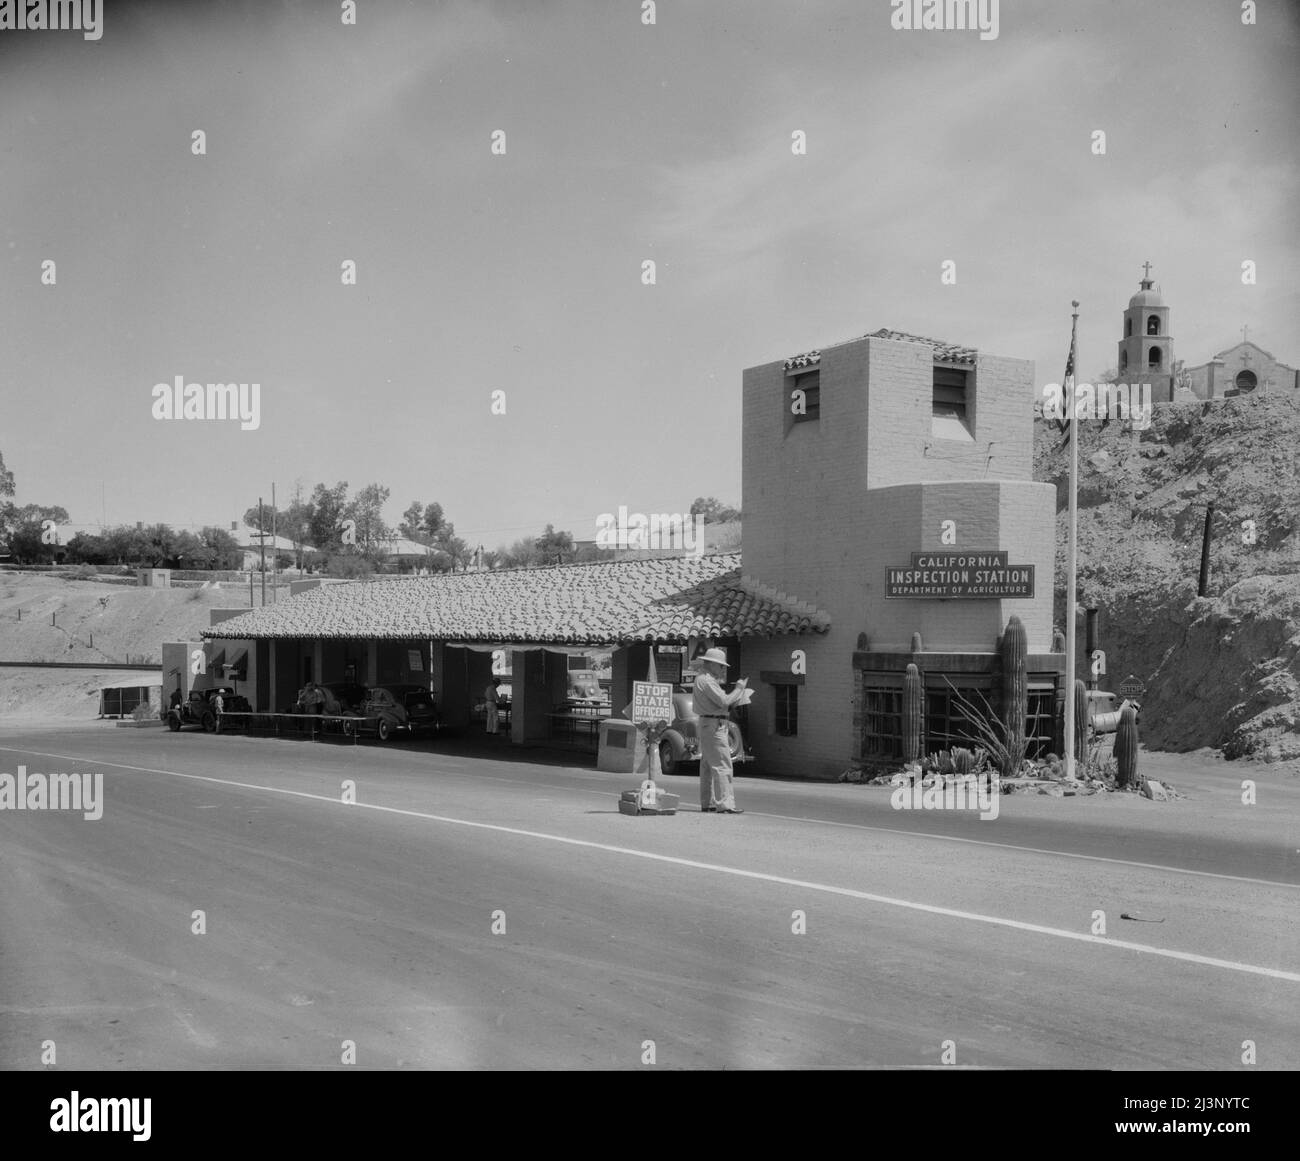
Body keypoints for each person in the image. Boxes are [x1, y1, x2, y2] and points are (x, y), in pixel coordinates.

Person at [691, 647, 748, 814]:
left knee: (708, 765)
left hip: (708, 723)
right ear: (711, 664)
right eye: (721, 665)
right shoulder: (707, 681)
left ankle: (707, 802)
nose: (723, 669)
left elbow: (722, 703)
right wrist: (739, 688)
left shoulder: (702, 679)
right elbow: (724, 702)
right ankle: (725, 804)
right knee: (722, 765)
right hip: (714, 725)